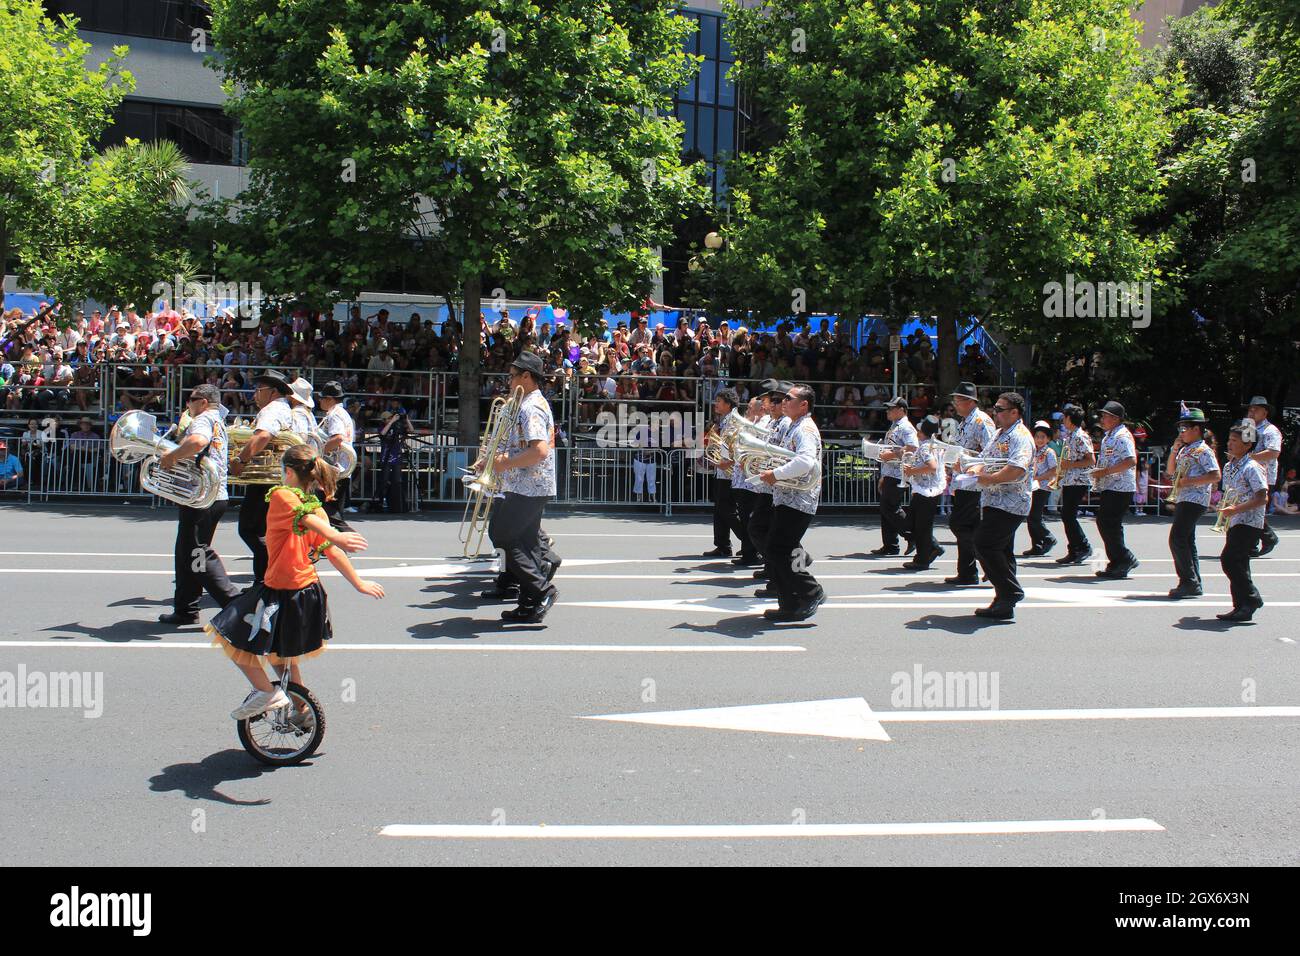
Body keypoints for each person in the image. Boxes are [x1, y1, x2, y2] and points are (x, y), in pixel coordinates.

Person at [208, 444, 384, 720]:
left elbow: (320, 532)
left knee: (227, 635)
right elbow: (324, 539)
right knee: (280, 654)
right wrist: (357, 581)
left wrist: (341, 547)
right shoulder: (313, 509)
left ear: (288, 471)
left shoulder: (282, 496)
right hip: (305, 593)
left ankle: (266, 691)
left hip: (282, 589)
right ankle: (301, 709)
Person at [157, 385, 242, 626]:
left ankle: (234, 602)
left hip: (202, 497)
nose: (188, 404)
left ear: (203, 402)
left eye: (191, 399)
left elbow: (197, 441)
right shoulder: (217, 419)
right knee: (186, 554)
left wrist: (172, 456)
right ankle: (186, 609)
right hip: (210, 495)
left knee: (197, 553)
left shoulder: (203, 419)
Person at [488, 352, 560, 623]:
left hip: (529, 485)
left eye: (513, 375)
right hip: (527, 484)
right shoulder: (526, 403)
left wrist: (505, 463)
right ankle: (529, 604)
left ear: (526, 376)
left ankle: (542, 590)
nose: (509, 380)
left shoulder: (531, 407)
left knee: (502, 535)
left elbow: (539, 450)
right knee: (526, 542)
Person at [758, 384, 824, 621]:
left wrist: (775, 475)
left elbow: (805, 461)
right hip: (787, 497)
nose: (783, 401)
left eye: (789, 398)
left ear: (804, 404)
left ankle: (810, 590)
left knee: (777, 548)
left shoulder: (804, 428)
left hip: (799, 499)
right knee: (783, 549)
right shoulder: (794, 426)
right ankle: (789, 603)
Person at [967, 392, 1034, 620]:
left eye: (999, 409)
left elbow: (1018, 468)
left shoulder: (1021, 436)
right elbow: (984, 460)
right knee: (1002, 552)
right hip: (995, 500)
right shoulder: (1000, 433)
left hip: (1011, 502)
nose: (994, 412)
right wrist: (971, 468)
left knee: (983, 543)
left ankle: (1010, 591)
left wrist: (989, 479)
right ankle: (1003, 602)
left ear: (1014, 412)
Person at [232, 370, 296, 583]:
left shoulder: (272, 409)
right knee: (262, 530)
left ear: (273, 392)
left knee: (250, 529)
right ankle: (266, 579)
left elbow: (263, 435)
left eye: (259, 390)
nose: (255, 395)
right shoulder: (283, 408)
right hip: (273, 479)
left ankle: (271, 576)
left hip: (266, 480)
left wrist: (241, 460)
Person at [1215, 420, 1269, 622]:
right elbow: (1230, 493)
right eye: (1229, 439)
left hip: (1249, 521)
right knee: (1239, 562)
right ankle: (1241, 606)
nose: (1230, 443)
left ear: (1247, 445)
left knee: (1229, 560)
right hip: (1235, 520)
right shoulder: (1229, 466)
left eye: (1235, 440)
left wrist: (1236, 509)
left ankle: (1252, 598)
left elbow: (1262, 497)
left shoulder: (1252, 467)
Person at [1164, 409, 1221, 599]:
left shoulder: (1203, 450)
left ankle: (1188, 581)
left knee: (1177, 538)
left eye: (1184, 427)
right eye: (1180, 427)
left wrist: (1187, 482)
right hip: (1183, 498)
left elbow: (1215, 475)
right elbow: (1171, 471)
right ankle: (1193, 581)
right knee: (1187, 541)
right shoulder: (1185, 449)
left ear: (1197, 429)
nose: (1181, 431)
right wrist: (1174, 449)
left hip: (1195, 499)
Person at [945, 382, 995, 586]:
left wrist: (967, 462)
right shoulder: (965, 421)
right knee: (968, 527)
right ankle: (969, 571)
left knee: (960, 524)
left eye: (958, 400)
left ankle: (984, 563)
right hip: (964, 482)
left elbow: (991, 452)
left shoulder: (982, 421)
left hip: (975, 483)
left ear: (969, 401)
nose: (955, 404)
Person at [1090, 401, 1139, 579]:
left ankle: (1124, 558)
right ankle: (1117, 561)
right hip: (1110, 485)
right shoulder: (1109, 436)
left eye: (1105, 416)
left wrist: (1106, 471)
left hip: (1121, 487)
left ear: (1115, 418)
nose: (1102, 419)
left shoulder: (1122, 436)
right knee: (1107, 523)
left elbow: (1130, 461)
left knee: (1108, 522)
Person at [749, 380, 787, 588]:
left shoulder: (787, 424)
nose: (770, 405)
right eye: (769, 400)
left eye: (775, 401)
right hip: (769, 484)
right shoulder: (773, 422)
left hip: (778, 485)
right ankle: (776, 570)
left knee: (765, 530)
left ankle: (782, 572)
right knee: (767, 530)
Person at [872, 395, 918, 557]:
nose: (888, 411)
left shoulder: (905, 427)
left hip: (898, 473)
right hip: (890, 472)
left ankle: (914, 536)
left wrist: (890, 455)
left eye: (892, 408)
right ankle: (890, 544)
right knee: (886, 509)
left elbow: (912, 447)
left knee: (890, 508)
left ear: (902, 410)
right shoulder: (894, 426)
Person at [901, 416, 946, 570]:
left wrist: (912, 470)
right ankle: (931, 549)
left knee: (920, 526)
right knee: (917, 525)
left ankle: (923, 558)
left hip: (925, 490)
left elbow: (932, 466)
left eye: (919, 430)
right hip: (929, 489)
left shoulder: (925, 447)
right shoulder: (935, 446)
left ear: (922, 432)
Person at [1054, 404, 1096, 565]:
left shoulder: (1080, 436)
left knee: (1068, 515)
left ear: (1070, 419)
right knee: (1066, 514)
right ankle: (1074, 549)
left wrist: (1068, 465)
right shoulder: (1070, 436)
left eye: (1064, 417)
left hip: (1079, 480)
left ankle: (1082, 546)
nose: (1063, 421)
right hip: (1070, 480)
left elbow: (1091, 460)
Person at [726, 396, 764, 569]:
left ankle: (752, 554)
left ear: (760, 409)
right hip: (743, 479)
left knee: (751, 520)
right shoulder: (752, 422)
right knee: (746, 519)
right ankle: (748, 552)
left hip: (753, 482)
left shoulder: (763, 425)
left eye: (750, 407)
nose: (747, 410)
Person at [703, 388, 741, 558]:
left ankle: (751, 540)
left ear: (728, 403)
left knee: (727, 509)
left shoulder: (734, 421)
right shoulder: (723, 420)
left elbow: (739, 446)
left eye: (719, 401)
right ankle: (723, 545)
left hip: (730, 473)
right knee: (719, 509)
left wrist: (729, 461)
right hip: (721, 470)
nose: (715, 404)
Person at [1245, 396, 1283, 557]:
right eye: (1250, 409)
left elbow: (1273, 452)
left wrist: (1249, 458)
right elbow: (1244, 448)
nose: (1252, 412)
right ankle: (1252, 545)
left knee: (1255, 510)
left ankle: (1268, 537)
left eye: (1256, 409)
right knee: (1248, 510)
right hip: (1247, 475)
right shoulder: (1248, 427)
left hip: (1264, 476)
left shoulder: (1270, 430)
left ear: (1265, 412)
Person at [316, 381, 356, 529]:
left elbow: (337, 438)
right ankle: (336, 547)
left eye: (322, 398)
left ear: (330, 399)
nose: (319, 400)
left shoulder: (334, 415)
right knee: (331, 512)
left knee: (329, 513)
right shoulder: (342, 413)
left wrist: (318, 453)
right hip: (341, 469)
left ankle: (349, 539)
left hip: (334, 470)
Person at [1023, 421, 1059, 557]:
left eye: (1043, 437)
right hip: (1032, 486)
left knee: (1035, 516)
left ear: (1048, 438)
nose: (1039, 439)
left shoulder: (1049, 452)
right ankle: (1037, 545)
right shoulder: (1033, 451)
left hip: (1042, 487)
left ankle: (1048, 537)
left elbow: (1053, 470)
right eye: (1037, 436)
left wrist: (1038, 478)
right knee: (1030, 516)